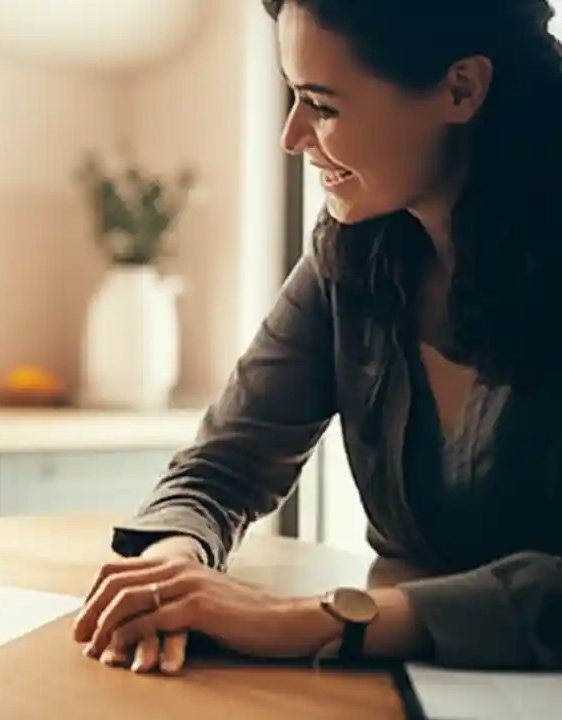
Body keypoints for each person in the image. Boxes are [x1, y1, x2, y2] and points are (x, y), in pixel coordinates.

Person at [74, 0, 562, 674]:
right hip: (398, 687)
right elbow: (225, 468)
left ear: (462, 88)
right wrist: (172, 571)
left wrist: (302, 621)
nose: (292, 135)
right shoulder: (354, 256)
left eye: (322, 106)